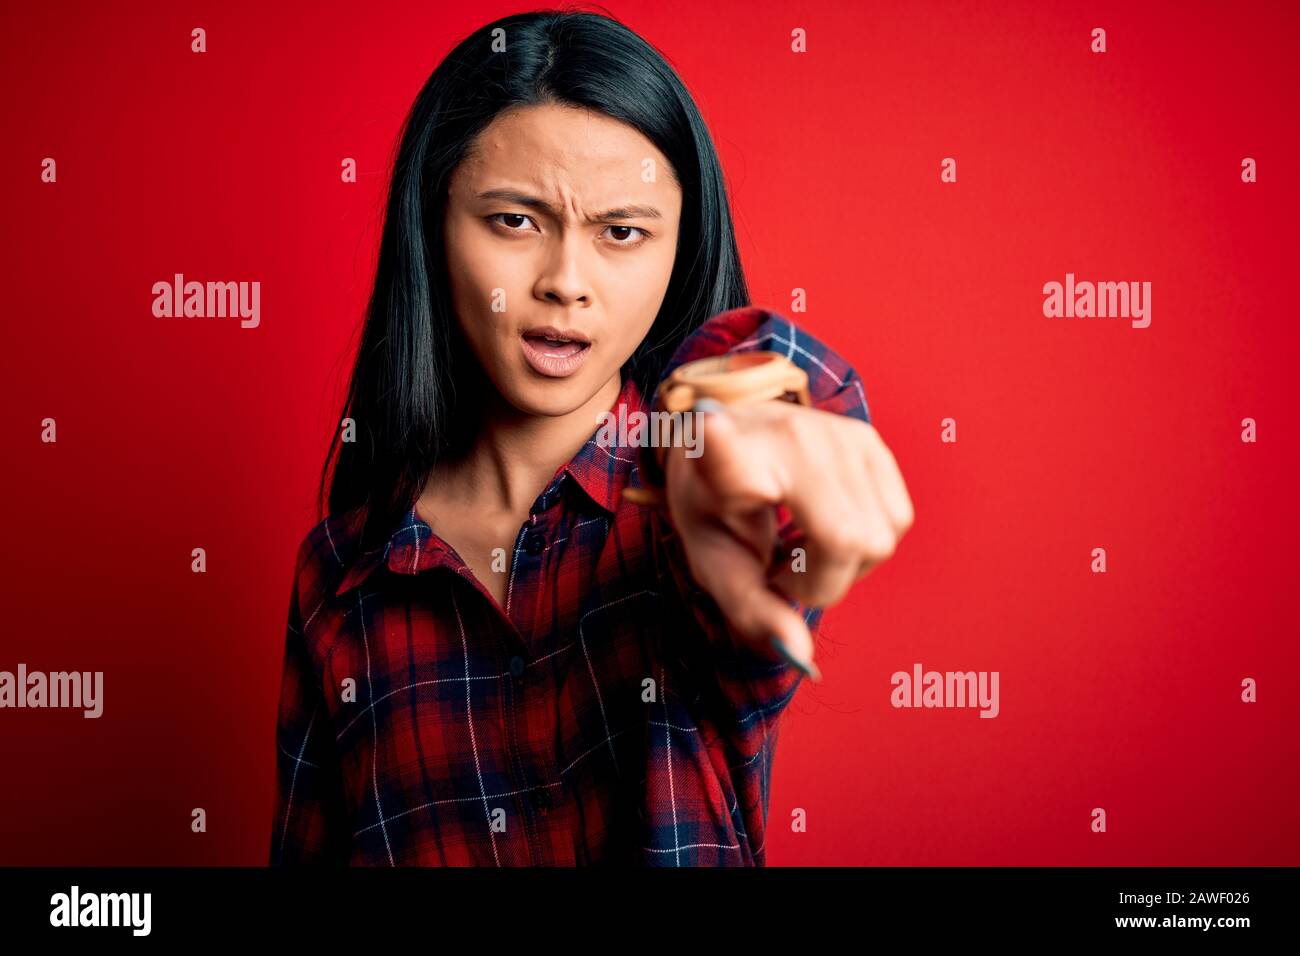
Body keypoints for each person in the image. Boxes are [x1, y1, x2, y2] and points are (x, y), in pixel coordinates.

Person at [269, 7, 913, 866]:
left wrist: (773, 416)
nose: (567, 283)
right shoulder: (342, 577)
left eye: (623, 233)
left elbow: (768, 407)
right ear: (433, 227)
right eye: (514, 221)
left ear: (679, 249)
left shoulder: (685, 510)